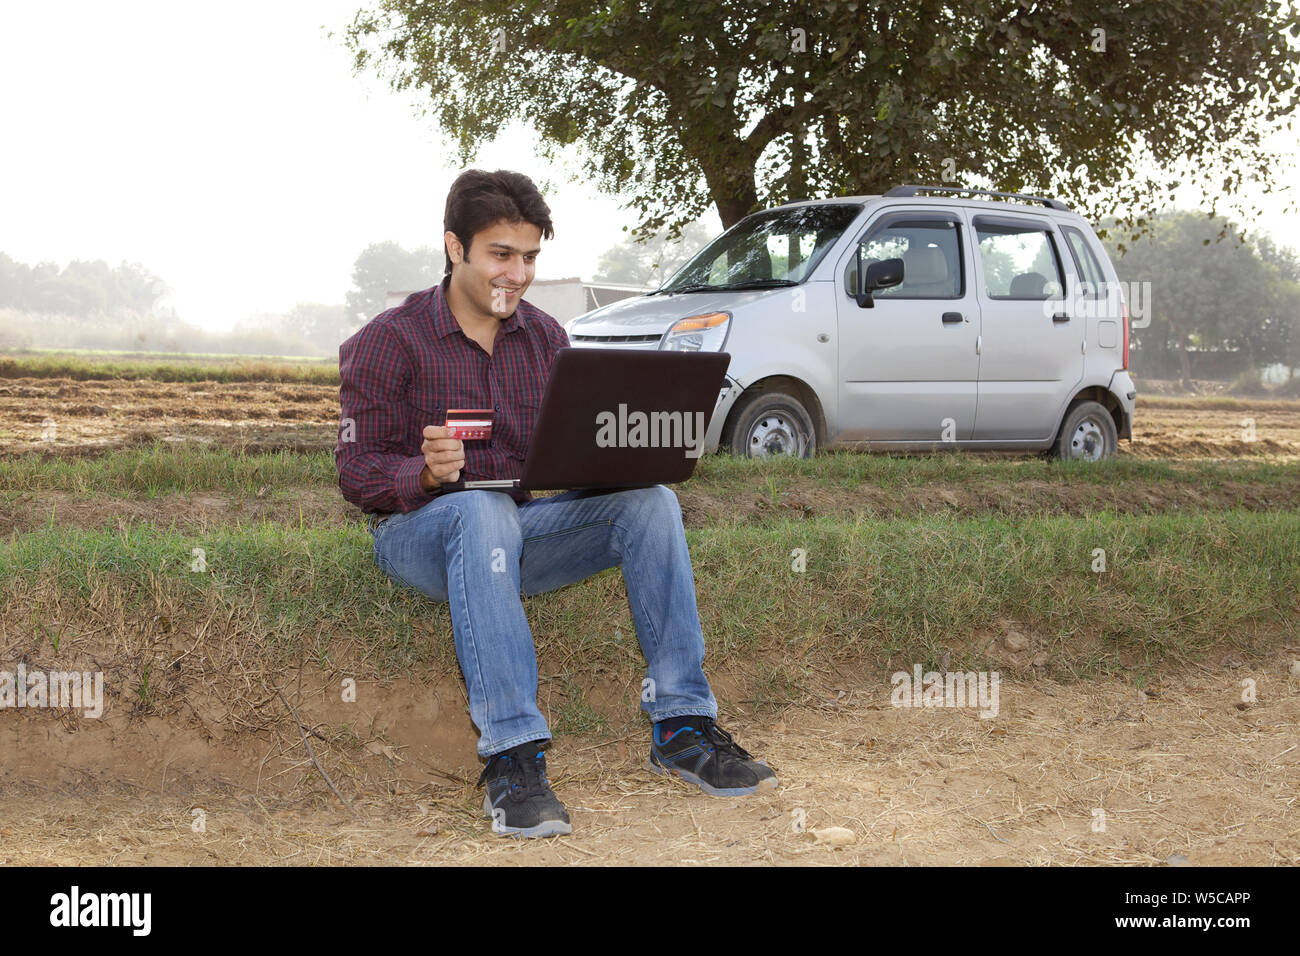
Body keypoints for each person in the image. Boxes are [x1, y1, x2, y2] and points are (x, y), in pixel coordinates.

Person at [335, 169, 776, 838]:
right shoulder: (386, 342)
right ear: (455, 248)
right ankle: (514, 759)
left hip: (514, 536)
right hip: (417, 536)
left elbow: (562, 463)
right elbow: (355, 471)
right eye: (501, 254)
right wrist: (419, 476)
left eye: (531, 256)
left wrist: (619, 461)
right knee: (479, 510)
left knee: (649, 502)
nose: (517, 272)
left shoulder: (547, 341)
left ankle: (683, 728)